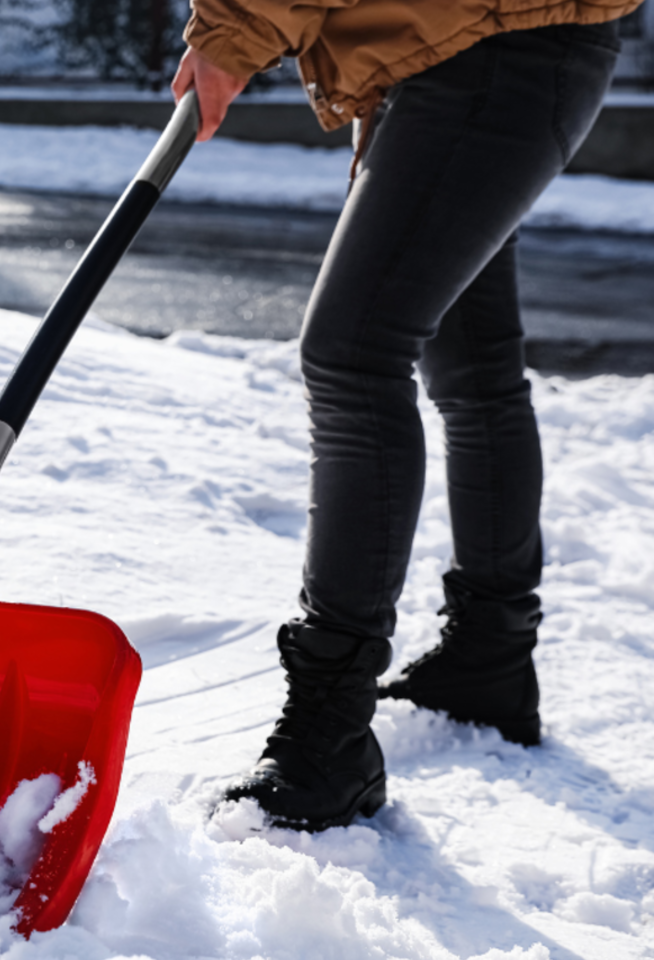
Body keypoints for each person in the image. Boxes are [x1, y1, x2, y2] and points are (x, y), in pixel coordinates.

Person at [172, 0, 641, 831]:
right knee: (472, 362)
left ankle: (329, 736)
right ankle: (490, 656)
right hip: (491, 39)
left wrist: (235, 29)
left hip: (484, 43)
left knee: (353, 353)